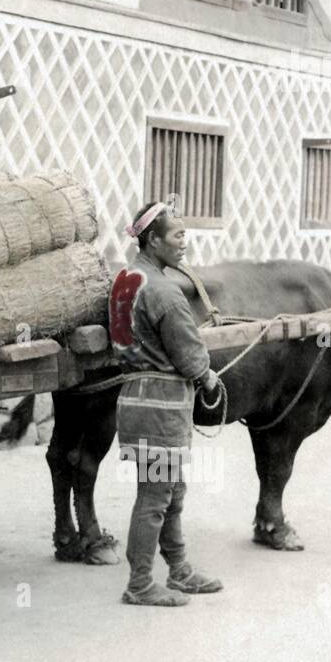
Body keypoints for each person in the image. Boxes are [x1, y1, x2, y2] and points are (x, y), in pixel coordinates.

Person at [108, 202, 224, 607]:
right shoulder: (163, 291)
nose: (183, 245)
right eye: (177, 237)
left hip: (137, 401)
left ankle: (179, 571)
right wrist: (208, 375)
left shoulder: (126, 278)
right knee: (156, 497)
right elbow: (191, 356)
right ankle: (140, 585)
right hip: (161, 408)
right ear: (153, 240)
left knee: (170, 491)